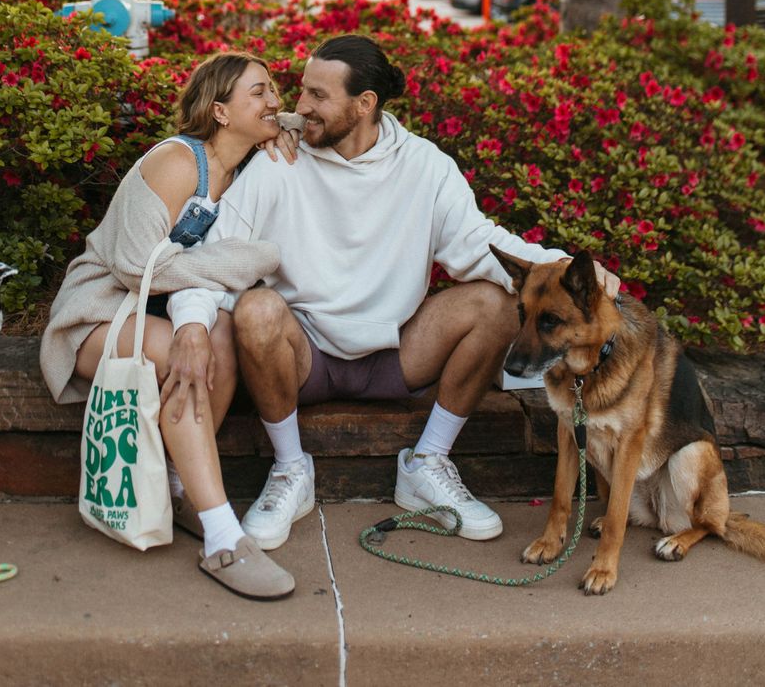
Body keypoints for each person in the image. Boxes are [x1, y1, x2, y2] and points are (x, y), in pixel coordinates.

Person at [168, 34, 621, 552]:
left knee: (496, 302)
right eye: (302, 92)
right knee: (255, 308)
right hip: (304, 357)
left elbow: (480, 243)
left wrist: (558, 264)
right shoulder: (277, 163)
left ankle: (427, 462)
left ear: (365, 105)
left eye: (319, 96)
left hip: (397, 355)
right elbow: (213, 259)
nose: (300, 108)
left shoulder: (424, 165)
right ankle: (291, 469)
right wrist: (190, 327)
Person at [40, 50, 295, 599]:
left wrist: (197, 317)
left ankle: (179, 486)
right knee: (181, 356)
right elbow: (137, 267)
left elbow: (185, 276)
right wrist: (256, 258)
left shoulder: (245, 172)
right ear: (221, 111)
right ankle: (223, 535)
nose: (275, 100)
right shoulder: (179, 161)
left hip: (154, 310)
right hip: (99, 311)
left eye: (274, 89)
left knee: (220, 336)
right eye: (259, 92)